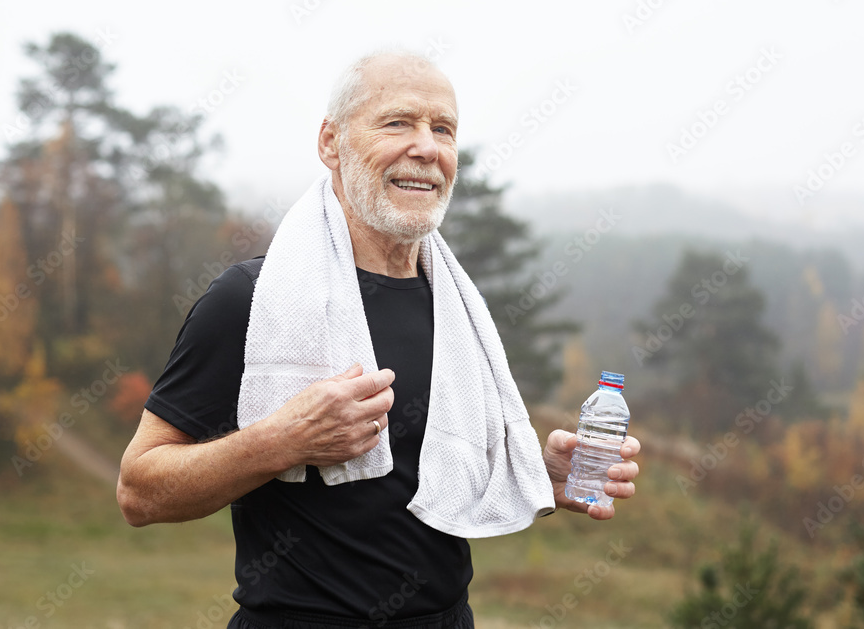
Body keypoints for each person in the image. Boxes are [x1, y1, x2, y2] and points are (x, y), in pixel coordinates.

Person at [116, 51, 641, 629]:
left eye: (443, 129)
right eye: (398, 122)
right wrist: (283, 441)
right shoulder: (250, 298)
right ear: (330, 143)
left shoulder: (458, 310)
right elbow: (140, 492)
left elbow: (425, 478)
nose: (426, 147)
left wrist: (541, 473)